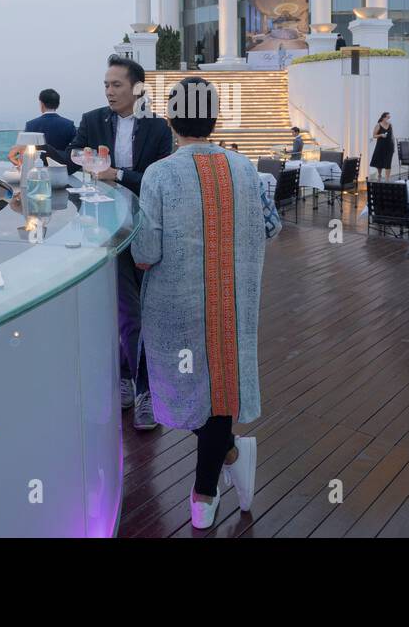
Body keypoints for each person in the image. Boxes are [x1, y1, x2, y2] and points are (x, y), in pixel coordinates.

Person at [131, 76, 281, 530]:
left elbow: (145, 253)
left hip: (176, 306)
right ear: (214, 119)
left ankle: (204, 490)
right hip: (233, 300)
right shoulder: (246, 168)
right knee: (218, 385)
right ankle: (231, 452)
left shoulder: (158, 174)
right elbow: (271, 227)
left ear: (172, 120)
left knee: (185, 387)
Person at [66, 55, 174, 429]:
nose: (110, 92)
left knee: (141, 312)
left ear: (137, 89)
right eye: (107, 85)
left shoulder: (158, 127)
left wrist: (118, 174)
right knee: (126, 309)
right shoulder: (93, 119)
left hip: (147, 227)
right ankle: (134, 383)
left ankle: (141, 386)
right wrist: (87, 161)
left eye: (117, 85)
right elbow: (71, 157)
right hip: (107, 226)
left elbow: (158, 179)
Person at [24, 88, 76, 163]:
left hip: (38, 166)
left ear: (42, 104)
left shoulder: (30, 125)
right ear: (58, 105)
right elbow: (75, 147)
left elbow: (25, 149)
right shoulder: (69, 124)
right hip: (61, 166)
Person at [369, 112, 394, 180]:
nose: (388, 119)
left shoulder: (390, 125)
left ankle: (387, 179)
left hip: (389, 147)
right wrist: (381, 135)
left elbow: (392, 136)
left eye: (389, 117)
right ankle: (379, 175)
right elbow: (374, 135)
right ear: (383, 118)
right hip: (380, 147)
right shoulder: (378, 125)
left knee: (388, 162)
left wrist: (393, 145)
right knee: (379, 162)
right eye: (387, 117)